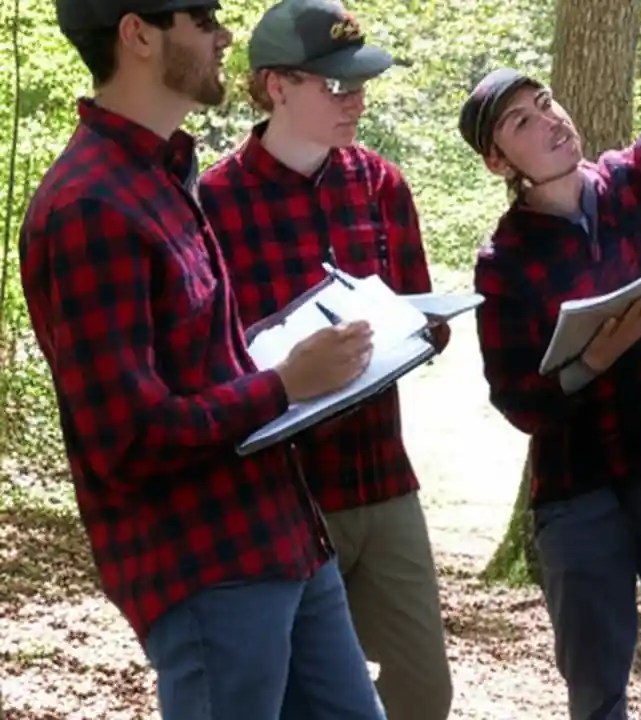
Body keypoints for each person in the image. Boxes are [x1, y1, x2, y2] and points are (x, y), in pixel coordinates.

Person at [21, 1, 389, 718]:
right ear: (138, 34)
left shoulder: (164, 173)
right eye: (202, 17)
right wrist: (285, 385)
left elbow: (205, 367)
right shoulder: (89, 205)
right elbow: (127, 440)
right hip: (207, 567)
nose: (225, 35)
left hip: (285, 536)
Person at [459, 2, 641, 717]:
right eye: (522, 122)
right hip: (578, 499)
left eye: (545, 102)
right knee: (598, 691)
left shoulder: (636, 182)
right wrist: (592, 360)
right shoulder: (502, 262)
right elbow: (516, 399)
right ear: (498, 162)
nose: (549, 121)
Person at [195, 1, 453, 718]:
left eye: (360, 83)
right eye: (335, 86)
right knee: (289, 697)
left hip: (383, 479)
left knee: (421, 692)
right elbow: (209, 362)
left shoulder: (381, 186)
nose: (355, 100)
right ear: (276, 86)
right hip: (283, 495)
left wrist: (420, 334)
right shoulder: (211, 204)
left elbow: (419, 313)